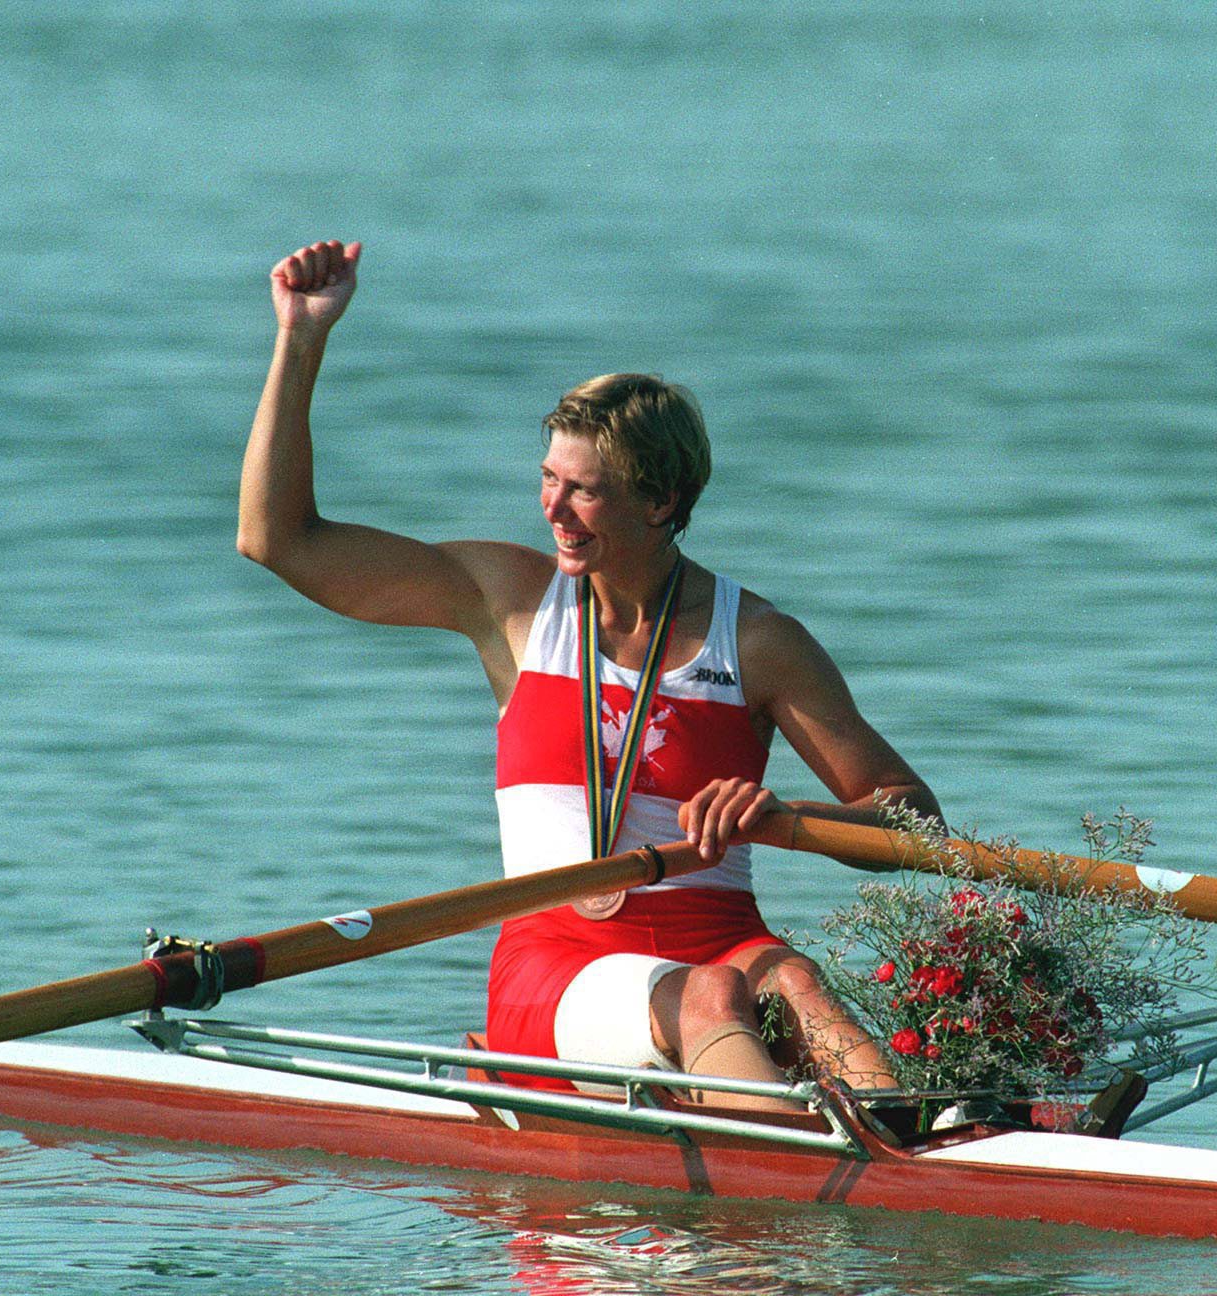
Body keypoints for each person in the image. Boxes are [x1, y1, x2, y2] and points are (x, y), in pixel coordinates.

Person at [237, 239, 941, 1107]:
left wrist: (791, 817)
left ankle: (924, 1136)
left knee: (793, 981)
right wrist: (301, 340)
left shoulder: (757, 641)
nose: (554, 510)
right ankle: (832, 1174)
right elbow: (278, 541)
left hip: (725, 938)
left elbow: (914, 827)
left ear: (662, 504)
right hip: (554, 960)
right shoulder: (510, 605)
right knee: (717, 995)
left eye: (586, 491)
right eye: (548, 479)